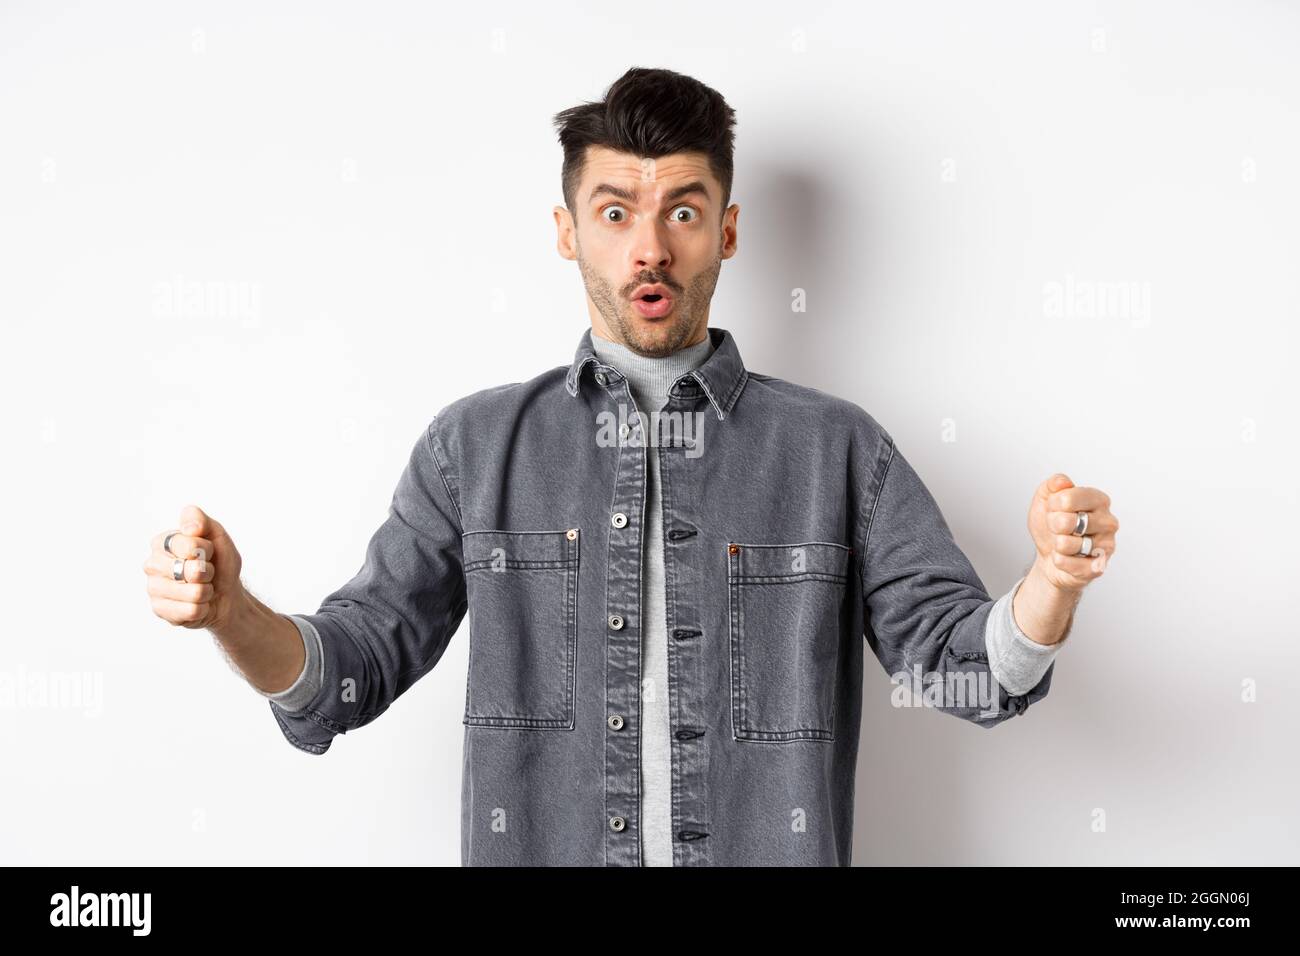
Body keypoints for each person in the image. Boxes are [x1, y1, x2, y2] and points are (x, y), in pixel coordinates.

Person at [143, 66, 1119, 866]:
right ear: (567, 231)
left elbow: (962, 678)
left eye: (683, 213)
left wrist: (1049, 585)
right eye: (615, 213)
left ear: (727, 231)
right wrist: (233, 610)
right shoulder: (473, 448)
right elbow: (346, 677)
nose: (649, 248)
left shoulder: (836, 449)